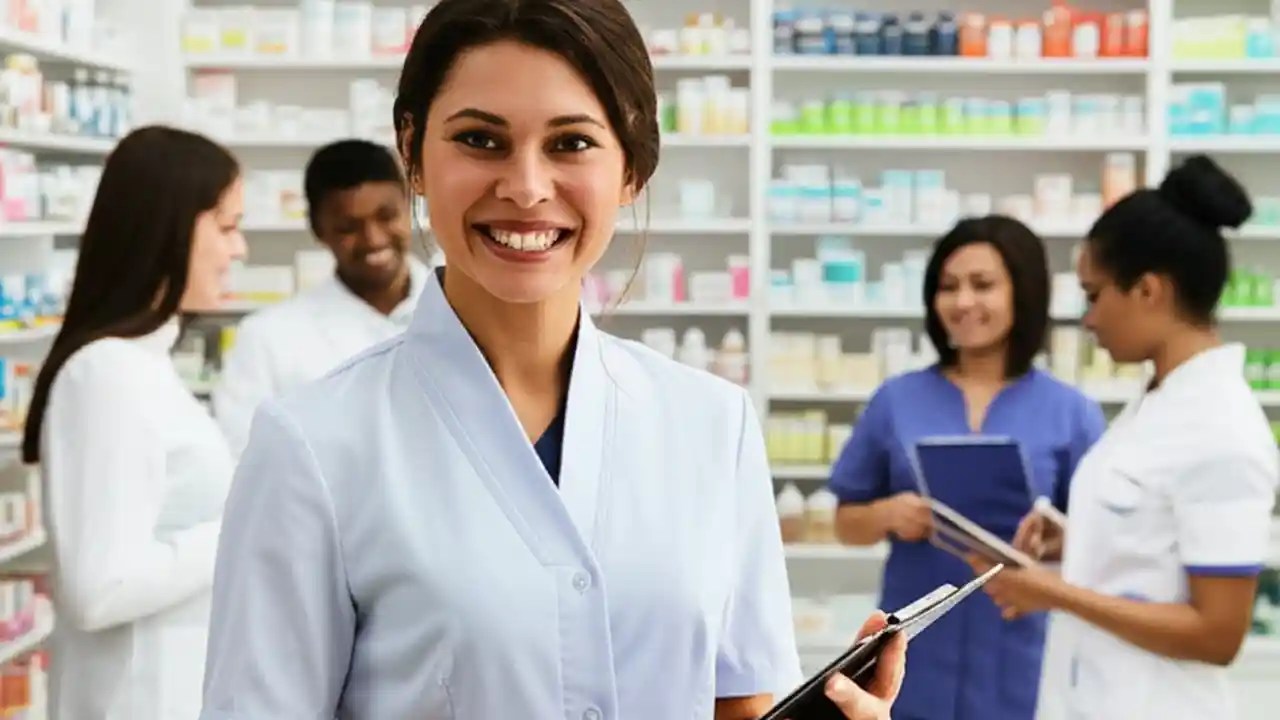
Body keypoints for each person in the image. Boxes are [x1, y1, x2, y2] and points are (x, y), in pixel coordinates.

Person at [197, 1, 905, 718]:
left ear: (632, 168)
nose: (527, 188)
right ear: (411, 153)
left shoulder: (712, 426)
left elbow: (742, 705)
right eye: (480, 139)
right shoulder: (314, 445)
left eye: (571, 144)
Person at [973, 155, 1280, 720]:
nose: (1088, 320)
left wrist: (1049, 591)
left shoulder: (1224, 431)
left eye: (1094, 295)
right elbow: (1155, 542)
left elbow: (1217, 634)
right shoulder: (1157, 402)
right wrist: (1078, 535)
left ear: (1148, 291)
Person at [828, 215, 1107, 720]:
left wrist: (1055, 538)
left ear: (1023, 292)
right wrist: (890, 514)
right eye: (948, 286)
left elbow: (1103, 542)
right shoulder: (897, 400)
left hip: (1021, 650)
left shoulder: (1071, 412)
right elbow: (846, 522)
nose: (962, 302)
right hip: (912, 653)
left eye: (983, 285)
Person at [20, 126, 245, 720]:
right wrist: (247, 522)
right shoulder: (106, 374)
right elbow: (101, 589)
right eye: (226, 226)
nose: (240, 249)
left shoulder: (145, 366)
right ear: (170, 228)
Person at [213, 138, 428, 457]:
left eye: (387, 216)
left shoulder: (469, 313)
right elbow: (244, 458)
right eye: (348, 227)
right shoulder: (268, 338)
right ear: (317, 229)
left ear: (410, 206)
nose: (373, 238)